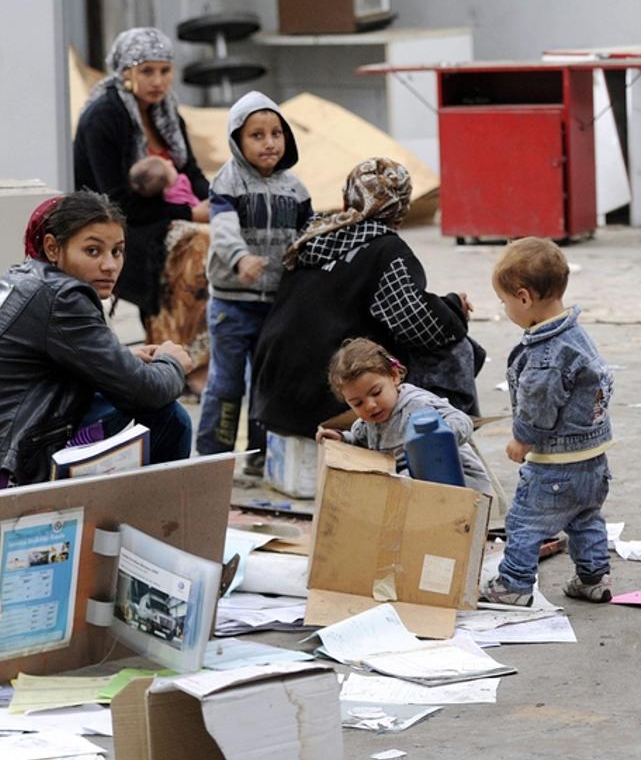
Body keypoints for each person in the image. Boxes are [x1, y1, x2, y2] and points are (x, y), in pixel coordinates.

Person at [0, 193, 194, 554]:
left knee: (118, 402)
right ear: (52, 248)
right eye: (93, 251)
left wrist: (120, 359)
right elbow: (147, 391)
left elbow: (41, 368)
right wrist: (172, 363)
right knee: (167, 418)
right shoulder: (63, 298)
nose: (109, 265)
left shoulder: (20, 280)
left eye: (117, 251)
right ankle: (152, 551)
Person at [252, 157, 482, 438]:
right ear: (400, 208)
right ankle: (447, 435)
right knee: (455, 346)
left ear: (348, 198)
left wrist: (446, 303)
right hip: (323, 403)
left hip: (270, 400)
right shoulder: (385, 249)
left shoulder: (313, 236)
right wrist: (455, 307)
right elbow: (422, 327)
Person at [73, 26, 212, 392]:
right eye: (147, 71)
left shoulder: (167, 113)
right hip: (118, 226)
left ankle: (213, 357)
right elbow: (114, 201)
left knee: (223, 236)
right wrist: (191, 214)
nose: (158, 81)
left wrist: (214, 204)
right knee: (196, 243)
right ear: (125, 72)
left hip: (164, 216)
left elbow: (191, 172)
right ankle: (184, 361)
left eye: (165, 70)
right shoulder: (104, 116)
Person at [480, 238, 615, 606]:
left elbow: (539, 403)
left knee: (525, 521)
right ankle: (593, 577)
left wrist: (522, 439)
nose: (505, 308)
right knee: (585, 518)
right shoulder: (576, 335)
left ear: (523, 298)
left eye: (504, 301)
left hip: (556, 464)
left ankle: (515, 585)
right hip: (593, 458)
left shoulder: (545, 354)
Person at [199, 92, 313, 459]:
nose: (269, 143)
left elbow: (308, 234)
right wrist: (239, 259)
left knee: (266, 382)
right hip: (232, 304)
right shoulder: (227, 183)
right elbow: (223, 229)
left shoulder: (295, 188)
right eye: (257, 135)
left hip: (276, 304)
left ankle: (258, 454)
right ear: (237, 140)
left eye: (276, 134)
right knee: (227, 383)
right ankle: (215, 455)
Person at [315, 338, 493, 499]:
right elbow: (361, 442)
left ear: (394, 376)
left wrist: (439, 437)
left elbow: (462, 419)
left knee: (404, 480)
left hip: (461, 482)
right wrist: (342, 439)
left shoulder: (417, 406)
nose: (369, 405)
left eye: (376, 392)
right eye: (357, 403)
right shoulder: (366, 423)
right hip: (418, 485)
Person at [129, 154, 199, 208]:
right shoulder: (181, 185)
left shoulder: (163, 202)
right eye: (170, 168)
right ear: (167, 185)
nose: (170, 162)